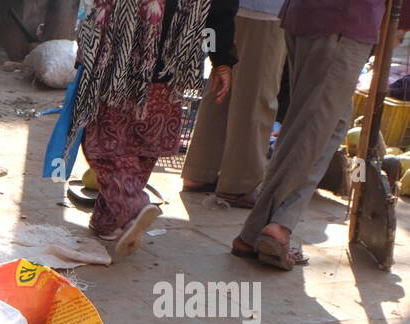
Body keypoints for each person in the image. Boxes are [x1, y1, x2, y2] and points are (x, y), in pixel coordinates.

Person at [65, 0, 240, 257]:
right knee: (143, 144)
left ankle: (132, 208)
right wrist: (222, 57)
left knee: (103, 141)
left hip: (118, 57)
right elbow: (220, 8)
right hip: (168, 57)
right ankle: (109, 221)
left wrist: (222, 58)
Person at [233, 0, 384, 270]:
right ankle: (265, 229)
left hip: (308, 15)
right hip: (343, 19)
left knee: (331, 125)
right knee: (311, 129)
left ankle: (276, 223)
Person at [182, 0, 287, 207]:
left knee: (221, 85)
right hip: (265, 12)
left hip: (230, 10)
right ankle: (240, 184)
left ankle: (201, 171)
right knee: (256, 95)